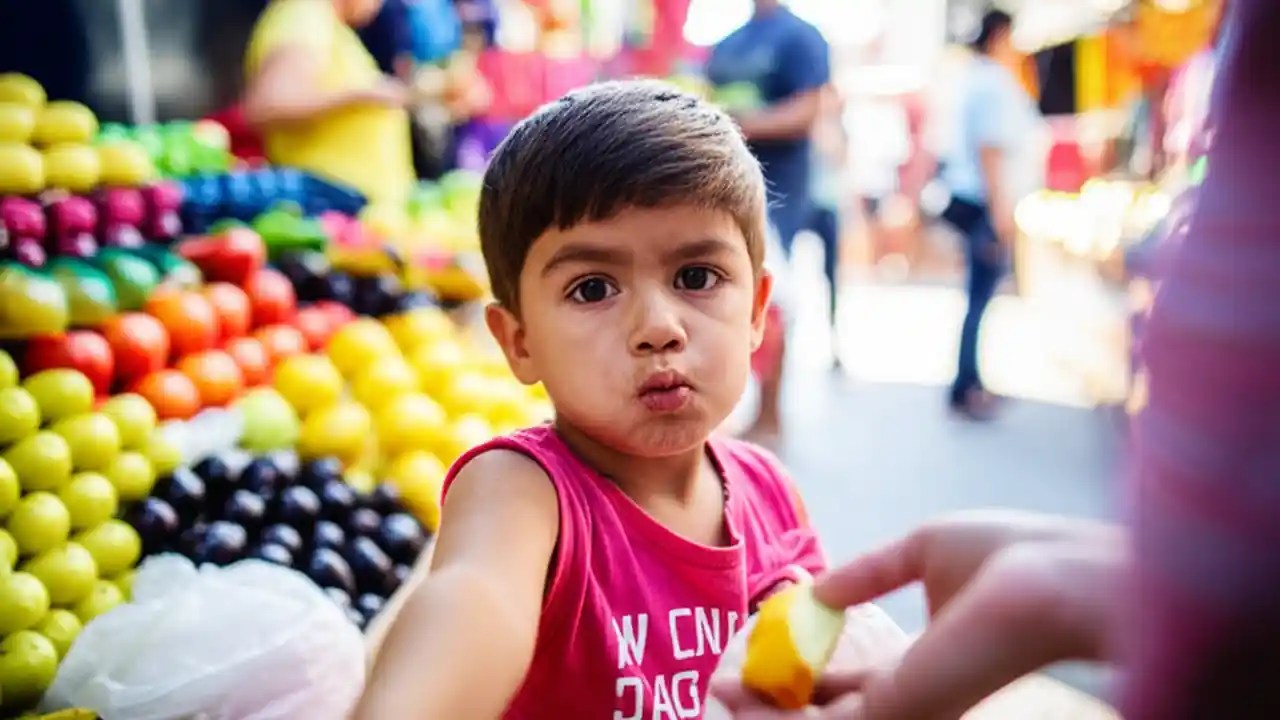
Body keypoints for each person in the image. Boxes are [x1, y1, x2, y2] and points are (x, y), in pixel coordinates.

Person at [714, 0, 1280, 716]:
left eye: (699, 279)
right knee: (976, 311)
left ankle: (967, 384)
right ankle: (967, 385)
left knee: (976, 311)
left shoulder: (760, 488)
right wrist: (1068, 585)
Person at [354, 80, 831, 719]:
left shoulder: (772, 494)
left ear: (755, 312)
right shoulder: (524, 494)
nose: (658, 325)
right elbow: (473, 598)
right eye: (592, 288)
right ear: (518, 341)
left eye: (696, 277)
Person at [706, 0, 831, 443]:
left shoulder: (801, 37)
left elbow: (808, 110)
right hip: (714, 190)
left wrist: (741, 126)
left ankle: (770, 413)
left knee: (772, 299)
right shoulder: (726, 43)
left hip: (775, 194)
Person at [938, 10, 1044, 420]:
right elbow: (991, 152)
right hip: (986, 204)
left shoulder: (975, 79)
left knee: (978, 300)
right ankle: (966, 387)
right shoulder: (993, 83)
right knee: (979, 300)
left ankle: (971, 382)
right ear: (1000, 36)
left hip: (980, 201)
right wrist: (1002, 216)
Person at [242, 0, 415, 206]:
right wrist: (362, 95)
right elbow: (269, 105)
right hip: (329, 201)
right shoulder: (305, 15)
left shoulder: (326, 23)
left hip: (358, 209)